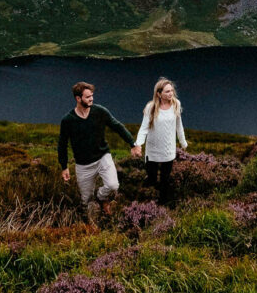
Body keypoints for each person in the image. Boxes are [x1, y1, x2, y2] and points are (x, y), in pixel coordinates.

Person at [58, 81, 134, 223]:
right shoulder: (68, 120)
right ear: (78, 98)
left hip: (102, 157)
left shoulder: (99, 111)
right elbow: (62, 144)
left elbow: (117, 126)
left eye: (92, 96)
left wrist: (132, 143)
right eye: (87, 97)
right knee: (85, 201)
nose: (91, 99)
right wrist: (64, 167)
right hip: (83, 165)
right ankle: (91, 226)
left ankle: (102, 198)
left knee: (112, 186)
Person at [132, 77, 186, 205]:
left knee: (165, 180)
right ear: (159, 94)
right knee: (151, 179)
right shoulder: (151, 107)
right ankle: (146, 201)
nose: (171, 93)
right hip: (153, 151)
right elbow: (144, 128)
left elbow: (179, 125)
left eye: (171, 90)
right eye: (167, 91)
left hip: (168, 150)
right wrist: (138, 144)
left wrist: (183, 142)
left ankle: (162, 206)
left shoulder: (176, 104)